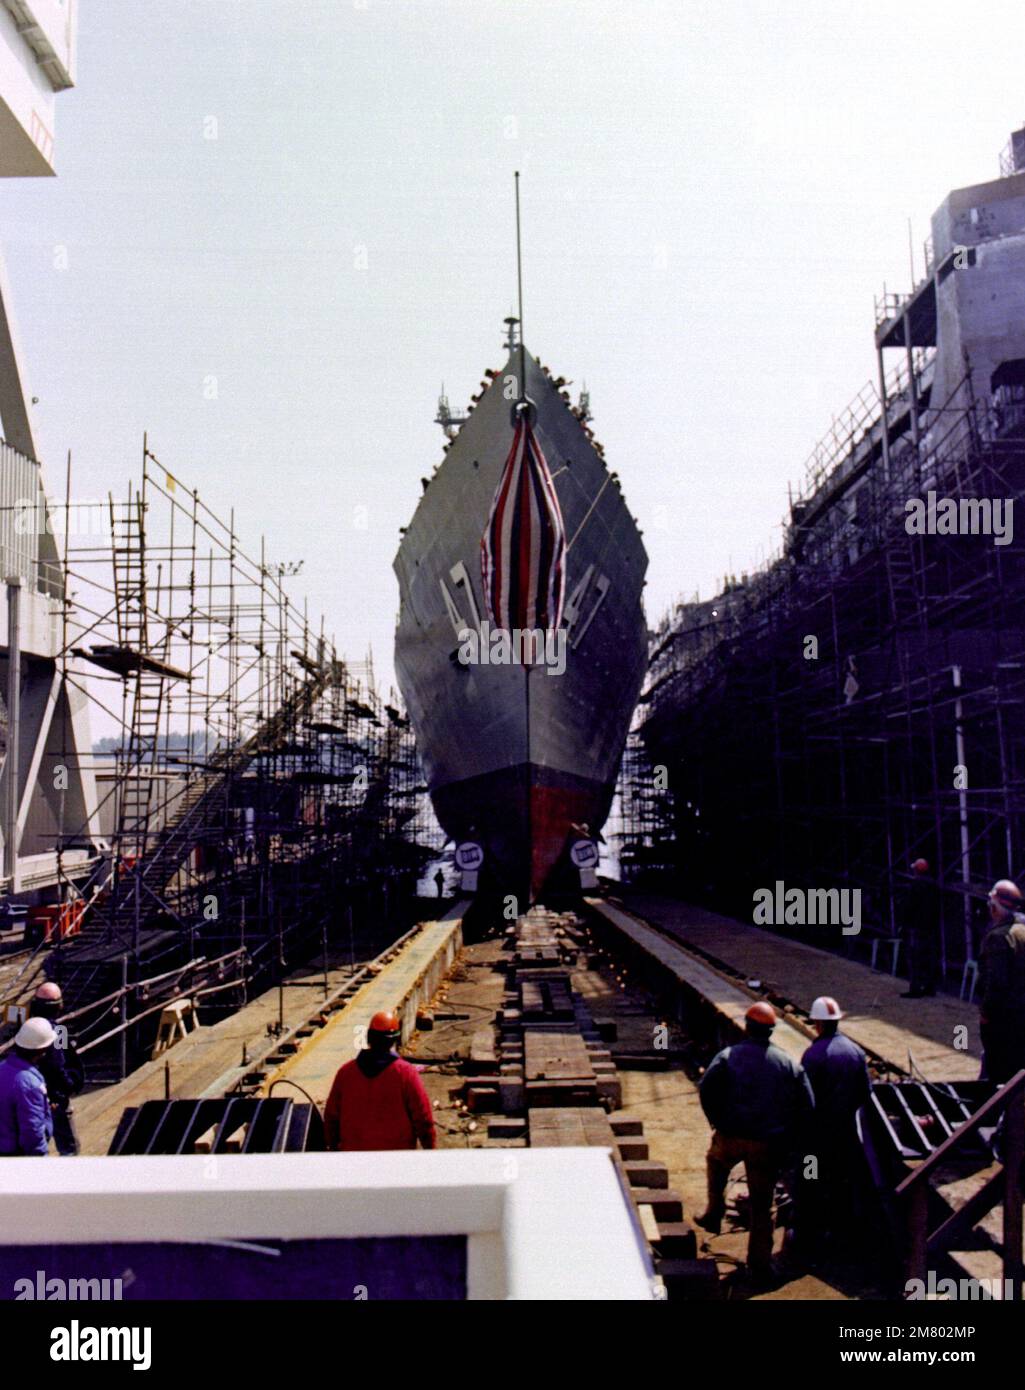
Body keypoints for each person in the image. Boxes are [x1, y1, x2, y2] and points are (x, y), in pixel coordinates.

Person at [696, 1001, 814, 1284]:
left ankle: (714, 1212)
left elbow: (707, 1089)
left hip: (732, 1135)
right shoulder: (787, 1063)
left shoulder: (728, 1056)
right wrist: (789, 1137)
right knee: (763, 1204)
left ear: (748, 1028)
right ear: (771, 1031)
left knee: (716, 1162)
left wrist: (716, 1120)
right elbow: (806, 1104)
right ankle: (760, 1265)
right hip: (767, 1142)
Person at [797, 996, 871, 1253]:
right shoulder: (856, 1052)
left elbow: (802, 1100)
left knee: (809, 1181)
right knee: (843, 1184)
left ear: (817, 1022)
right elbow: (865, 1094)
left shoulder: (813, 1055)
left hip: (816, 1139)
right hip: (848, 1136)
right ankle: (845, 1237)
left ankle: (809, 1235)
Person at [323, 1010, 436, 1151]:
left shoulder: (345, 1073)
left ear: (369, 1038)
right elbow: (423, 1120)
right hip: (396, 1161)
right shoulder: (406, 1073)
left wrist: (333, 1149)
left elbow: (331, 1118)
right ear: (395, 1040)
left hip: (353, 1161)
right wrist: (430, 1151)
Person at [978, 879, 1025, 1084]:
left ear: (995, 909)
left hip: (1004, 1019)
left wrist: (986, 1014)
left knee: (999, 1075)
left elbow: (996, 983)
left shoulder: (999, 937)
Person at [29, 983, 84, 1156]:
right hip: (56, 1097)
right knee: (69, 1148)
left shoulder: (27, 1029)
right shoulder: (59, 1031)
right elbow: (58, 1064)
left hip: (34, 1094)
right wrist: (68, 1085)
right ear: (59, 1006)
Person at [0, 1017, 56, 1156]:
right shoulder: (30, 1084)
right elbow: (32, 1132)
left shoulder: (2, 1068)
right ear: (43, 1049)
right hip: (16, 1154)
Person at [902, 858, 942, 997]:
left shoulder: (915, 885)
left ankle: (916, 989)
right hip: (931, 927)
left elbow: (909, 906)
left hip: (917, 927)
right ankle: (930, 987)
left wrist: (905, 923)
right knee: (930, 958)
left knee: (915, 958)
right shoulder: (934, 885)